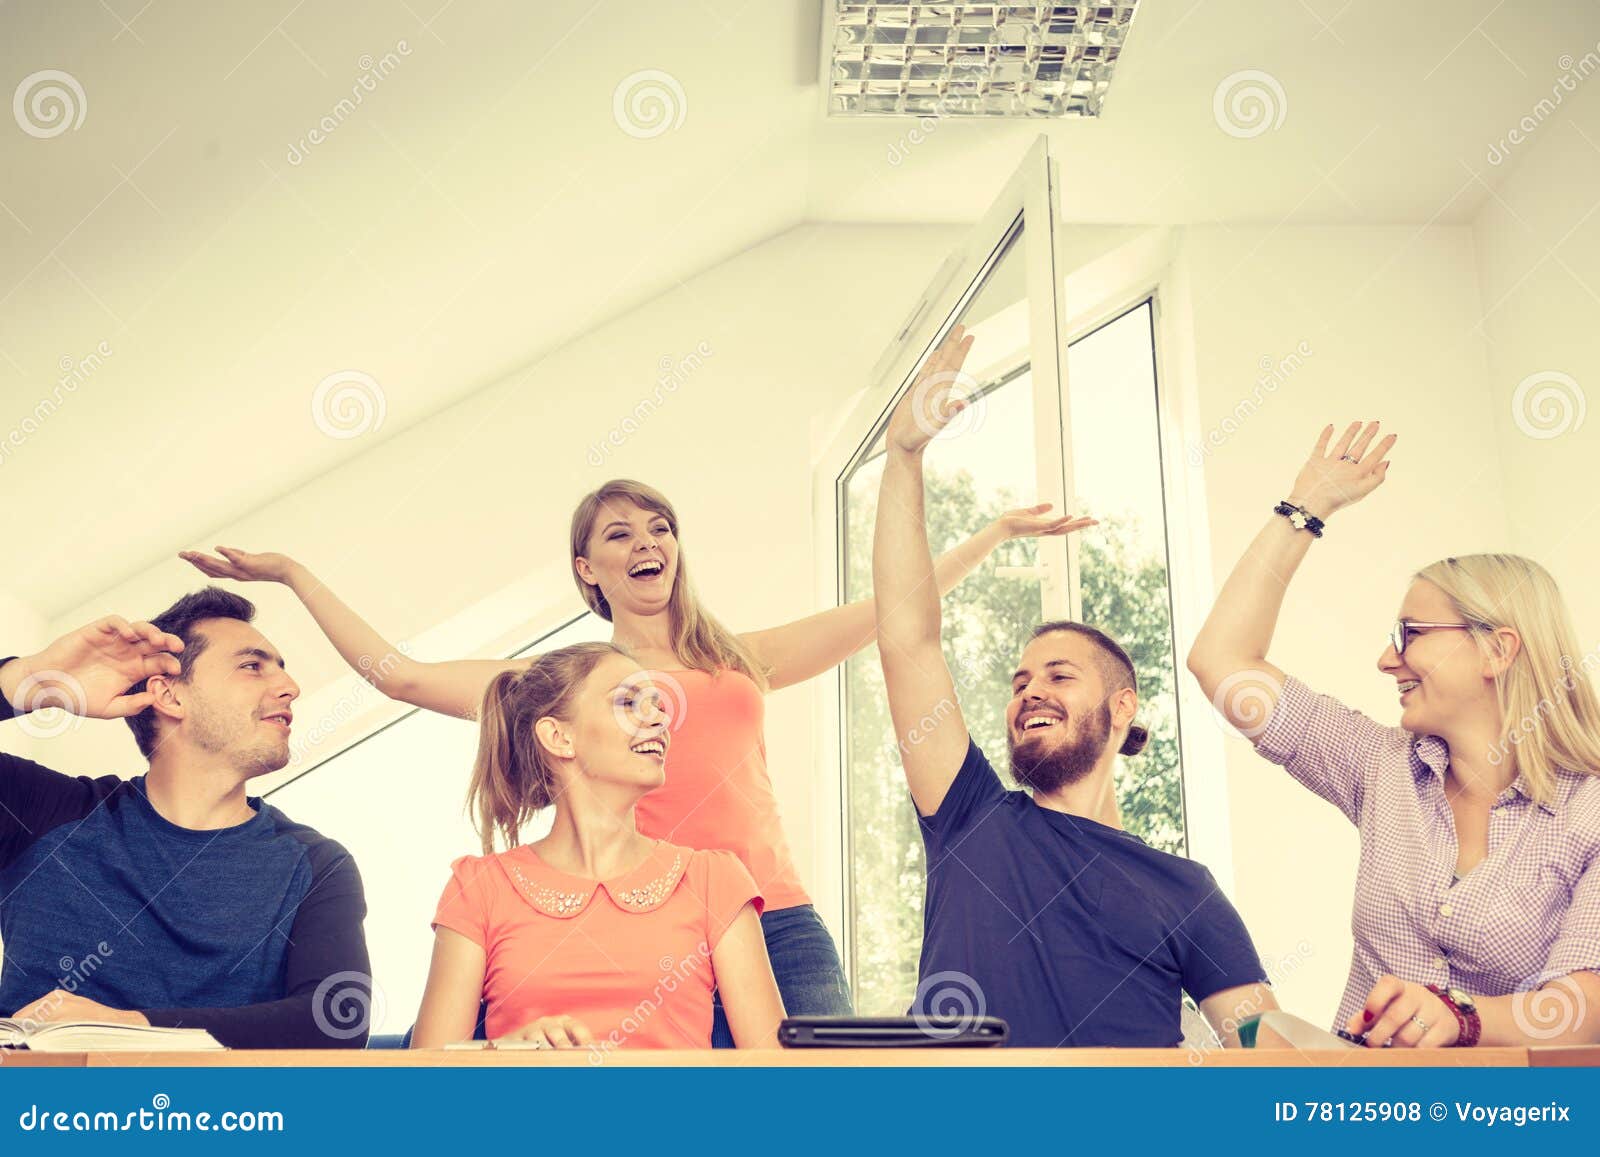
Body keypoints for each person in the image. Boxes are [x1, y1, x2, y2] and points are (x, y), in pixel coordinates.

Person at [180, 476, 1076, 1043]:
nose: (646, 541)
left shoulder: (739, 656)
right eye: (619, 533)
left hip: (775, 918)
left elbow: (892, 609)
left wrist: (989, 535)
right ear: (587, 569)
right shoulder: (565, 686)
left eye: (659, 526)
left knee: (814, 1111)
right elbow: (403, 675)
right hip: (644, 929)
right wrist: (296, 576)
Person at [872, 325, 1275, 1047]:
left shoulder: (1185, 889)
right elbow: (907, 639)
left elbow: (1264, 1046)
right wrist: (903, 458)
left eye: (1060, 675)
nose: (1029, 690)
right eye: (1020, 679)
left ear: (1123, 708)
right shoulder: (970, 819)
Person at [1188, 420, 1600, 1049]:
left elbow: (1583, 1009)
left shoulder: (1589, 811)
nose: (1387, 658)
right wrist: (1306, 508)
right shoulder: (1380, 765)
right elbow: (1222, 662)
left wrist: (1459, 1017)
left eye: (1411, 633)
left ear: (1497, 650)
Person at [0, 591, 373, 1048]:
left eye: (279, 667)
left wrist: (128, 1028)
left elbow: (337, 1021)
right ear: (169, 694)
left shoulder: (316, 864)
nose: (290, 686)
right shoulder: (43, 813)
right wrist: (29, 679)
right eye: (252, 666)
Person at [409, 643, 783, 1052]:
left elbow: (778, 1072)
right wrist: (508, 1053)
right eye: (628, 701)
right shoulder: (478, 888)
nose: (660, 717)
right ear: (559, 736)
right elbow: (425, 1077)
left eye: (658, 704)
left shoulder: (715, 880)